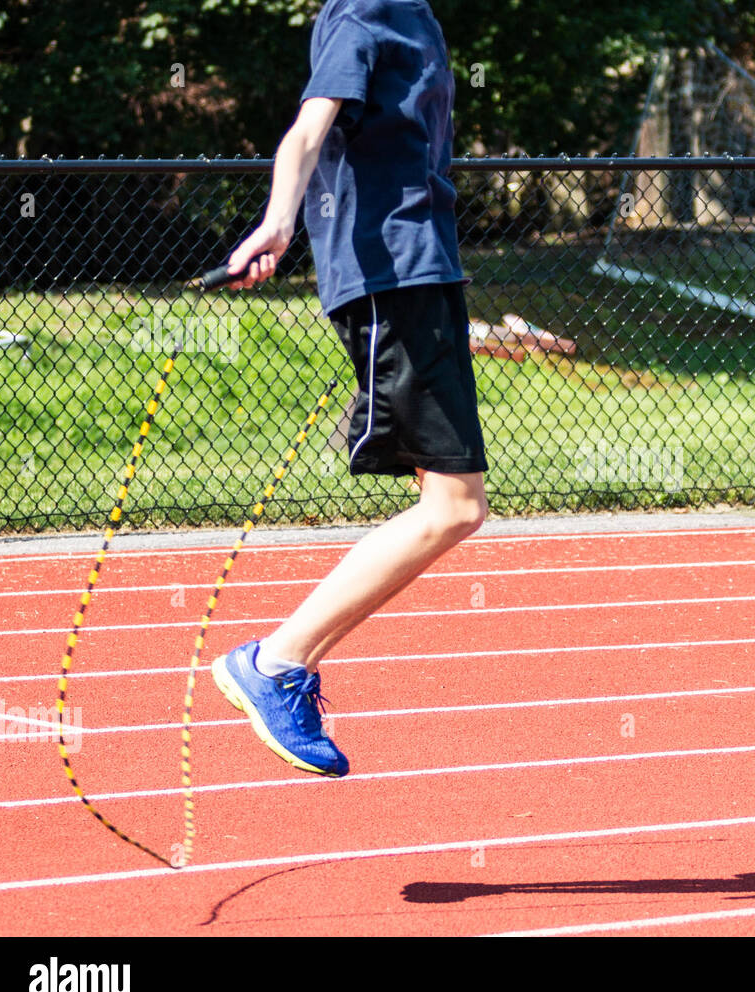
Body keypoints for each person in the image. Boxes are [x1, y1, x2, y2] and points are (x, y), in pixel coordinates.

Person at [210, 0, 488, 778]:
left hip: (424, 270)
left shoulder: (417, 17)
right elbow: (308, 128)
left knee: (456, 506)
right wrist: (277, 221)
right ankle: (274, 662)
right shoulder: (362, 16)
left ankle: (280, 663)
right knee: (454, 504)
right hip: (393, 275)